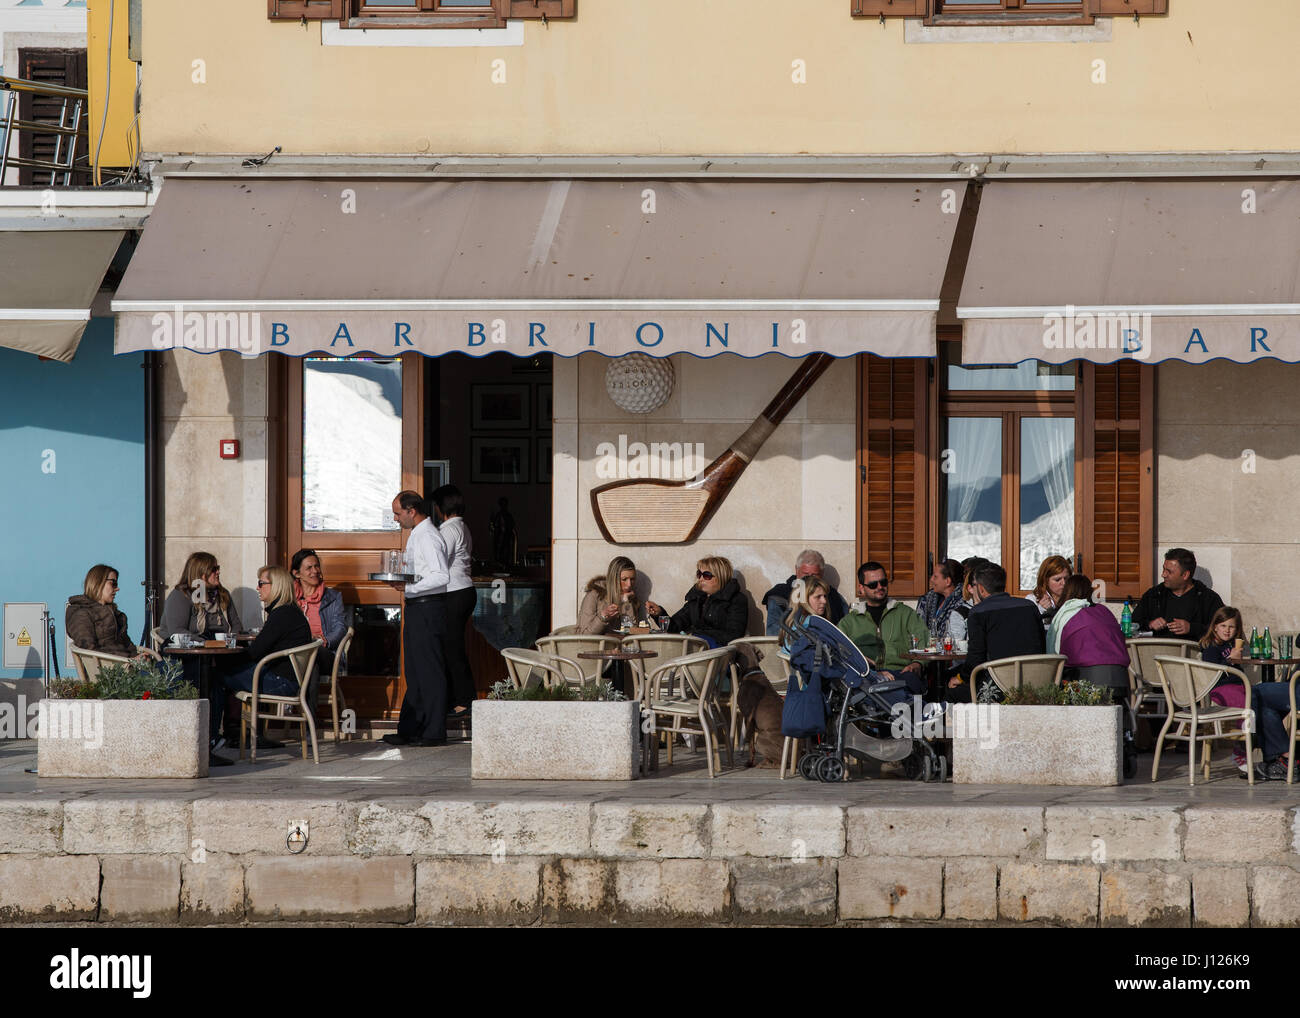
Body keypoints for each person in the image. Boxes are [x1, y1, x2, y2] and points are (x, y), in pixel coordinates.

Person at [210, 565, 313, 751]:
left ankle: (214, 737)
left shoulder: (282, 615)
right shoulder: (289, 612)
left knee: (214, 675)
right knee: (226, 671)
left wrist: (226, 656)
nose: (257, 588)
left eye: (261, 583)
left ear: (276, 586)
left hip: (281, 683)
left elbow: (254, 653)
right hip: (287, 680)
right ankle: (238, 732)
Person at [384, 490, 451, 747]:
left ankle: (434, 731)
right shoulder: (416, 535)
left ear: (412, 511)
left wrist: (411, 588)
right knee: (414, 670)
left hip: (428, 608)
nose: (396, 519)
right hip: (417, 607)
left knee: (430, 670)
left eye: (398, 513)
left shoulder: (429, 537)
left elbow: (441, 575)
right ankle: (411, 728)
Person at [952, 563, 1045, 702]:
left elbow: (975, 657)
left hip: (997, 688)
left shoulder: (978, 612)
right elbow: (1041, 647)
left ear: (981, 589)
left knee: (951, 691)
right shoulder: (1029, 606)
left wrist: (960, 678)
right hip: (1033, 685)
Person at [837, 561, 928, 694]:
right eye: (873, 584)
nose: (880, 587)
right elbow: (838, 650)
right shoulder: (849, 621)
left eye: (883, 582)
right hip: (866, 676)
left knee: (912, 687)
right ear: (861, 588)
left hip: (901, 672)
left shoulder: (905, 613)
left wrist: (917, 664)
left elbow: (924, 640)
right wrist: (870, 670)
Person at [432, 485, 476, 718]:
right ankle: (460, 698)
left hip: (455, 591)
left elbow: (439, 562)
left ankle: (464, 700)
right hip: (464, 590)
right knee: (453, 646)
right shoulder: (462, 526)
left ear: (441, 508)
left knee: (452, 648)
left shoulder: (449, 530)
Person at [1048, 574, 1129, 687]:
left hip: (1087, 675)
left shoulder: (1068, 614)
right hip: (1120, 675)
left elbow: (1057, 651)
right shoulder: (1103, 611)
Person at [649, 556, 749, 648]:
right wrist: (659, 614)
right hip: (696, 651)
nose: (700, 579)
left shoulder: (736, 600)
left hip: (720, 655)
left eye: (706, 575)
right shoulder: (696, 599)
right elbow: (675, 626)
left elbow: (733, 635)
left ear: (720, 577)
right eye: (699, 574)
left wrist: (698, 634)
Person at [1131, 548, 1224, 639]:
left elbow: (1224, 631)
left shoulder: (1209, 599)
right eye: (1164, 569)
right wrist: (1149, 624)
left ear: (1185, 575)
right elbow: (1131, 625)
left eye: (1169, 572)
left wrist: (1192, 628)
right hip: (1156, 652)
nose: (1163, 575)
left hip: (1193, 653)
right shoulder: (1153, 595)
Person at [1200, 607, 1250, 774]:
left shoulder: (1232, 645)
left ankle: (1250, 746)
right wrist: (1230, 660)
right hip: (1219, 690)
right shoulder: (1210, 647)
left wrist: (1237, 660)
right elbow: (1212, 672)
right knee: (1245, 707)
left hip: (1237, 687)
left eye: (1231, 627)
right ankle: (1240, 751)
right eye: (1223, 626)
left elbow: (1239, 673)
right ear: (1215, 627)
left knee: (1256, 700)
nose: (1227, 630)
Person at [761, 550, 849, 636]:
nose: (809, 579)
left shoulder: (834, 597)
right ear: (796, 570)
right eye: (806, 574)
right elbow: (773, 634)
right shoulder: (779, 596)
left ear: (822, 574)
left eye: (814, 575)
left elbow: (844, 630)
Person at [291, 549, 349, 676]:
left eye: (317, 566)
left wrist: (325, 641)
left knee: (313, 656)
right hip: (294, 652)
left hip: (324, 652)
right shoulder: (290, 599)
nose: (315, 571)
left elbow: (340, 627)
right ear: (297, 574)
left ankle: (304, 696)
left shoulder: (333, 597)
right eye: (309, 568)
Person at [160, 552, 242, 641]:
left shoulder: (222, 594)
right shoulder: (181, 595)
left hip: (223, 647)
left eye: (217, 568)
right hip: (191, 648)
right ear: (200, 573)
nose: (218, 572)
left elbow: (236, 625)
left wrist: (231, 640)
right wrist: (207, 643)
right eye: (213, 569)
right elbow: (178, 631)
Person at [66, 564, 141, 658]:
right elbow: (88, 652)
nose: (117, 588)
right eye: (113, 583)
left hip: (128, 666)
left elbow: (128, 646)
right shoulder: (81, 614)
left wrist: (140, 659)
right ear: (98, 582)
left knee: (161, 665)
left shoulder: (116, 615)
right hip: (111, 670)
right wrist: (130, 661)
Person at [578, 556, 642, 635]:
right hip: (595, 646)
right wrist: (603, 617)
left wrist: (626, 602)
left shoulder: (631, 598)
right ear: (614, 579)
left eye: (632, 579)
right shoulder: (594, 595)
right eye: (624, 579)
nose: (629, 584)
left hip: (620, 645)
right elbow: (584, 634)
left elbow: (632, 632)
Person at [916, 558, 967, 643]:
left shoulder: (962, 603)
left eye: (935, 576)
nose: (931, 579)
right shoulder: (929, 599)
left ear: (947, 581)